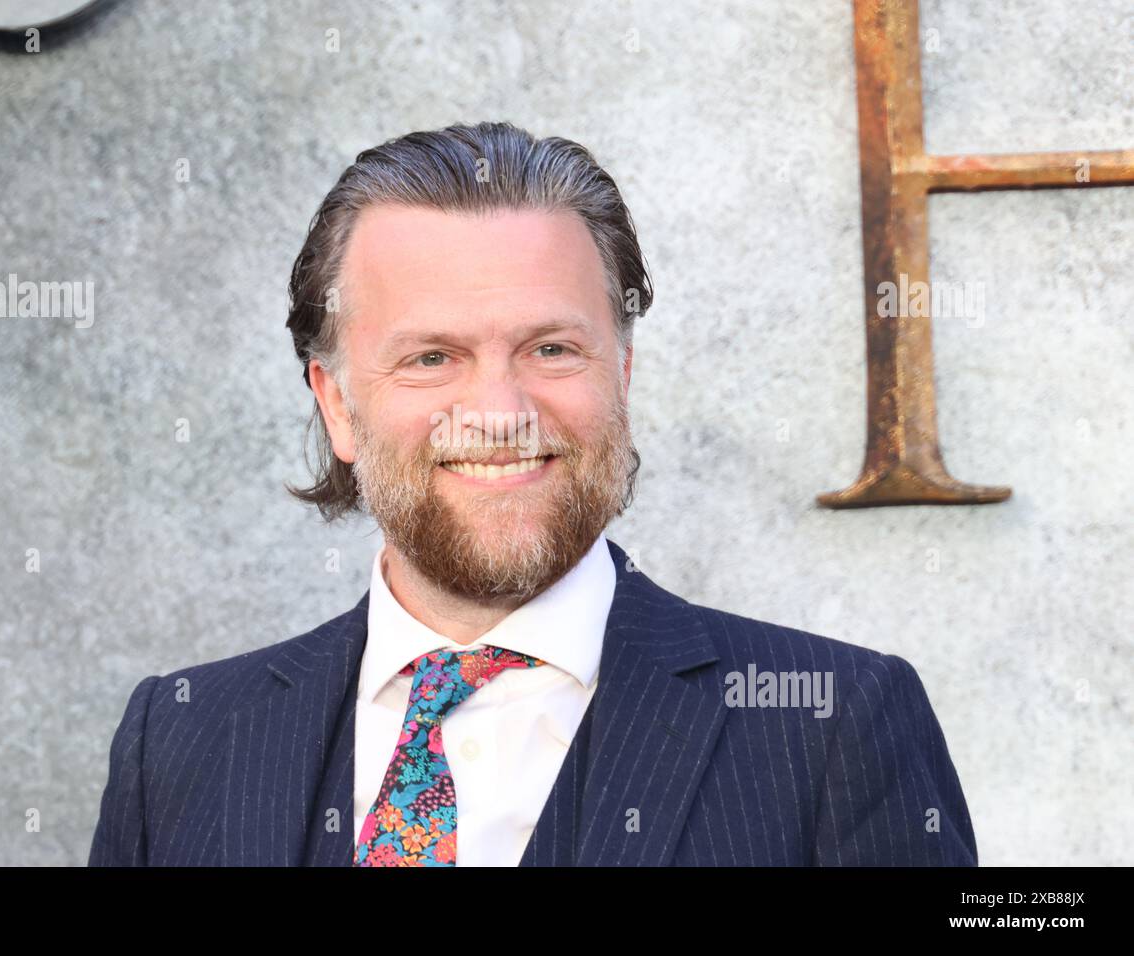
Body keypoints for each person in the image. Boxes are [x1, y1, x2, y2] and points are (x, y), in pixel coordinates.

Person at [88, 121, 977, 866]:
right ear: (338, 405)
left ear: (620, 375)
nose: (501, 413)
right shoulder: (178, 742)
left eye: (552, 349)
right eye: (432, 358)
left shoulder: (834, 724)